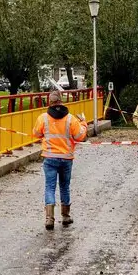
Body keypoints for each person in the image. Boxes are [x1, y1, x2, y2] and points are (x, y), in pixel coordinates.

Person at [32, 90, 89, 230]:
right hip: (66, 159)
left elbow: (36, 133)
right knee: (64, 186)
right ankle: (65, 216)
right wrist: (84, 124)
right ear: (61, 101)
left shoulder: (43, 118)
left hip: (50, 158)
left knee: (49, 187)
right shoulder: (70, 119)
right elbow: (80, 136)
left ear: (49, 102)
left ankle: (49, 219)